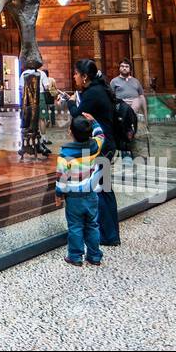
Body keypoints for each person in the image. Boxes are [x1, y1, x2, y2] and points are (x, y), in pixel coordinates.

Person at [59, 58, 119, 245]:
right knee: (105, 189)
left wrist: (69, 103)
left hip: (100, 147)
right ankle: (109, 234)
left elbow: (79, 116)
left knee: (101, 190)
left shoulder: (93, 93)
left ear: (85, 77)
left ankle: (107, 235)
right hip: (106, 144)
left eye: (76, 74)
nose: (74, 77)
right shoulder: (98, 90)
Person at [56, 114, 105, 266]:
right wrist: (94, 120)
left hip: (74, 198)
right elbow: (101, 135)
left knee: (75, 226)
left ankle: (75, 257)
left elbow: (61, 180)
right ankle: (94, 256)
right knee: (92, 225)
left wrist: (59, 195)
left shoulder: (65, 155)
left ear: (70, 132)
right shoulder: (95, 147)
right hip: (91, 195)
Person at [110, 60, 146, 159]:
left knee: (131, 134)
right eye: (122, 66)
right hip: (121, 112)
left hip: (134, 111)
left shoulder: (136, 81)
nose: (124, 68)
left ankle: (131, 153)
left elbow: (141, 97)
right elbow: (111, 98)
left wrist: (146, 116)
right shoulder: (114, 81)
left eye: (126, 66)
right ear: (119, 68)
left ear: (130, 69)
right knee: (122, 134)